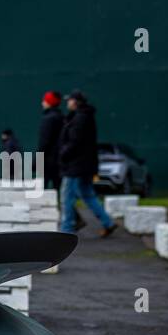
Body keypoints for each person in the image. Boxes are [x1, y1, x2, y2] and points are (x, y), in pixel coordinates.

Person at [58, 90, 117, 236]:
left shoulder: (80, 118)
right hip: (85, 164)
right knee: (87, 194)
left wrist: (63, 154)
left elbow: (75, 142)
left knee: (66, 196)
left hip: (75, 165)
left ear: (76, 102)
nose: (67, 103)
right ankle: (107, 222)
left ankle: (67, 228)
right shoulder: (85, 116)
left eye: (70, 100)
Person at [38, 91, 64, 189]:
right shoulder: (62, 117)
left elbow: (44, 142)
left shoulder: (48, 118)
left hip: (47, 160)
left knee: (41, 188)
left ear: (49, 102)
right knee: (58, 188)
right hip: (60, 159)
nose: (42, 103)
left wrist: (37, 159)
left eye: (44, 101)